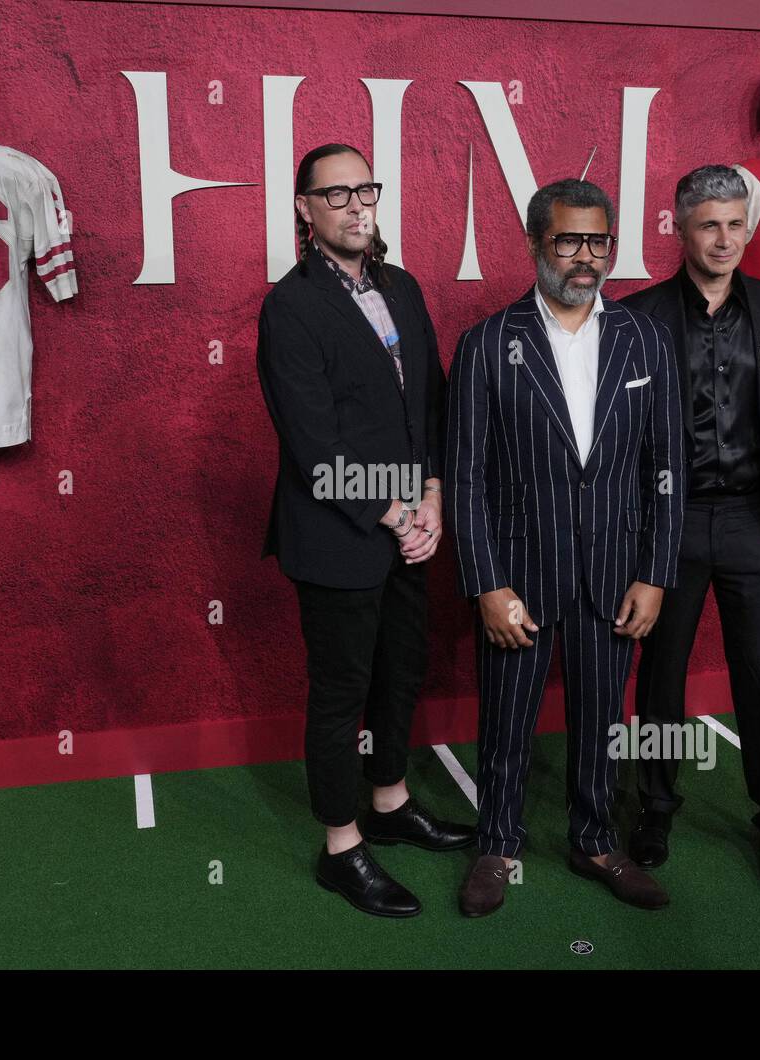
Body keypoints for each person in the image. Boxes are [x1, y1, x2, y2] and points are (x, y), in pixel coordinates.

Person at [445, 178, 684, 917]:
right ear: (534, 243)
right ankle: (498, 844)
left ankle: (593, 839)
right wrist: (486, 582)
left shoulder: (645, 339)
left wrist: (655, 572)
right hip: (518, 574)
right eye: (569, 241)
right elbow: (465, 479)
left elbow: (668, 470)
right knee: (507, 723)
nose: (587, 258)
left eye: (599, 241)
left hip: (616, 576)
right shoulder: (487, 344)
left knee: (600, 721)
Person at [256, 143, 475, 919]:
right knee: (341, 691)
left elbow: (433, 406)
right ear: (306, 212)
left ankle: (390, 802)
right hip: (339, 534)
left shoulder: (403, 288)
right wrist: (396, 512)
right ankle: (342, 847)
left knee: (400, 672)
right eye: (335, 193)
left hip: (411, 526)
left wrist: (436, 498)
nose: (356, 205)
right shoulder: (290, 306)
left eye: (365, 189)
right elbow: (313, 444)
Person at [620, 164, 760, 896]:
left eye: (736, 224)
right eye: (709, 224)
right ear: (679, 228)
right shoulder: (638, 317)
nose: (724, 238)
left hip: (755, 525)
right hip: (669, 527)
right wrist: (636, 530)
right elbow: (619, 436)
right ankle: (655, 808)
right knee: (660, 680)